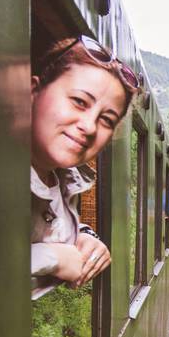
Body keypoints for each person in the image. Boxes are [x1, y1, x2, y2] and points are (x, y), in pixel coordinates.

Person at [30, 35, 139, 299]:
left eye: (106, 119)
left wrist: (84, 237)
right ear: (33, 92)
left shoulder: (63, 180)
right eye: (79, 101)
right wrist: (49, 258)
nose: (89, 126)